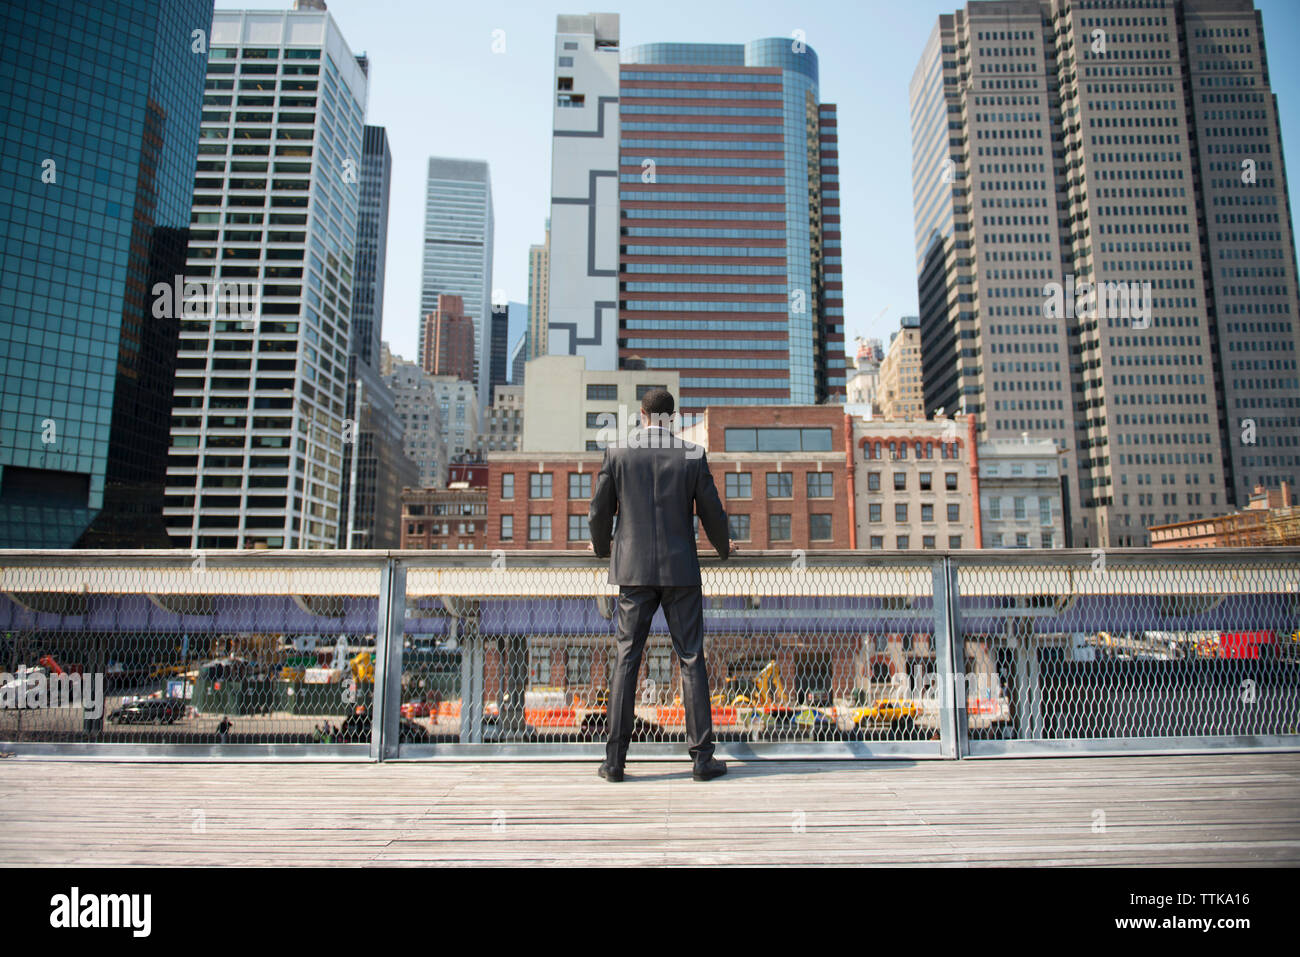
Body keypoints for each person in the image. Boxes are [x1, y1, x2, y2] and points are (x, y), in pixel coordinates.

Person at [587, 388, 736, 782]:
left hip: (632, 573)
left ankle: (614, 762)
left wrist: (603, 549)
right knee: (691, 659)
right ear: (672, 417)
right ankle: (702, 759)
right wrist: (723, 548)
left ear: (642, 415)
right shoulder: (692, 454)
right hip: (680, 571)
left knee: (625, 660)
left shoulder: (617, 453)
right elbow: (712, 513)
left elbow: (599, 510)